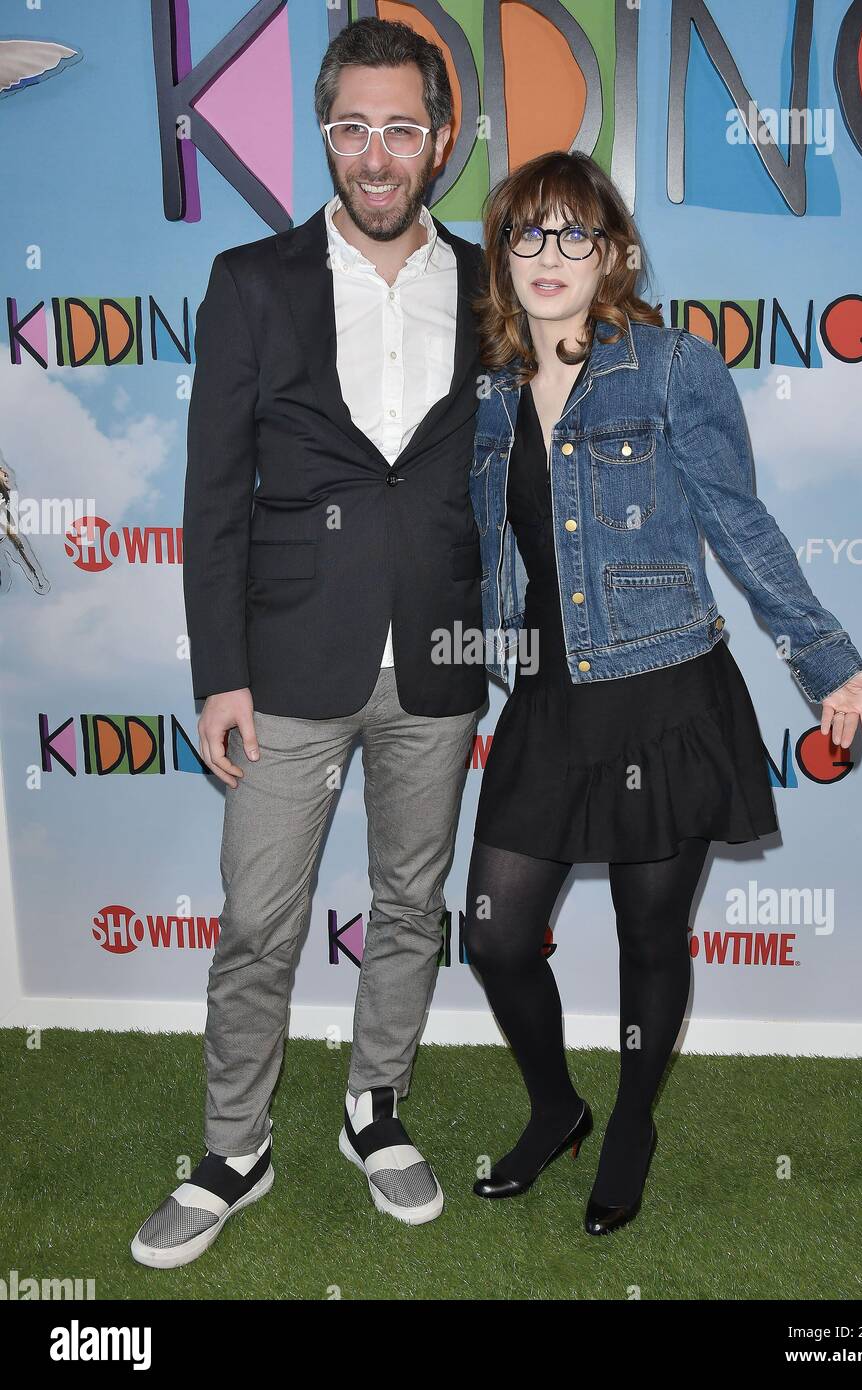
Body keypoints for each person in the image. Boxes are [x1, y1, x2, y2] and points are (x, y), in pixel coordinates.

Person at [463, 149, 862, 1236]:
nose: (550, 256)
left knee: (650, 937)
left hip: (666, 691)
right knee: (495, 936)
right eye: (528, 233)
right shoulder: (483, 392)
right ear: (502, 256)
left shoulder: (670, 367)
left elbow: (737, 522)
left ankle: (630, 1124)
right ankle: (558, 1104)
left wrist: (824, 654)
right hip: (551, 699)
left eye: (575, 234)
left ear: (614, 253)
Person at [131, 17, 488, 1266]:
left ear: (440, 140)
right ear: (325, 137)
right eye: (352, 130)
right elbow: (211, 495)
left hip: (440, 659)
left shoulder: (494, 283)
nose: (376, 156)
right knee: (258, 921)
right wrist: (216, 671)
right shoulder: (252, 282)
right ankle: (238, 1144)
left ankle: (372, 1109)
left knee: (410, 902)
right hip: (284, 665)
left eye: (401, 129)